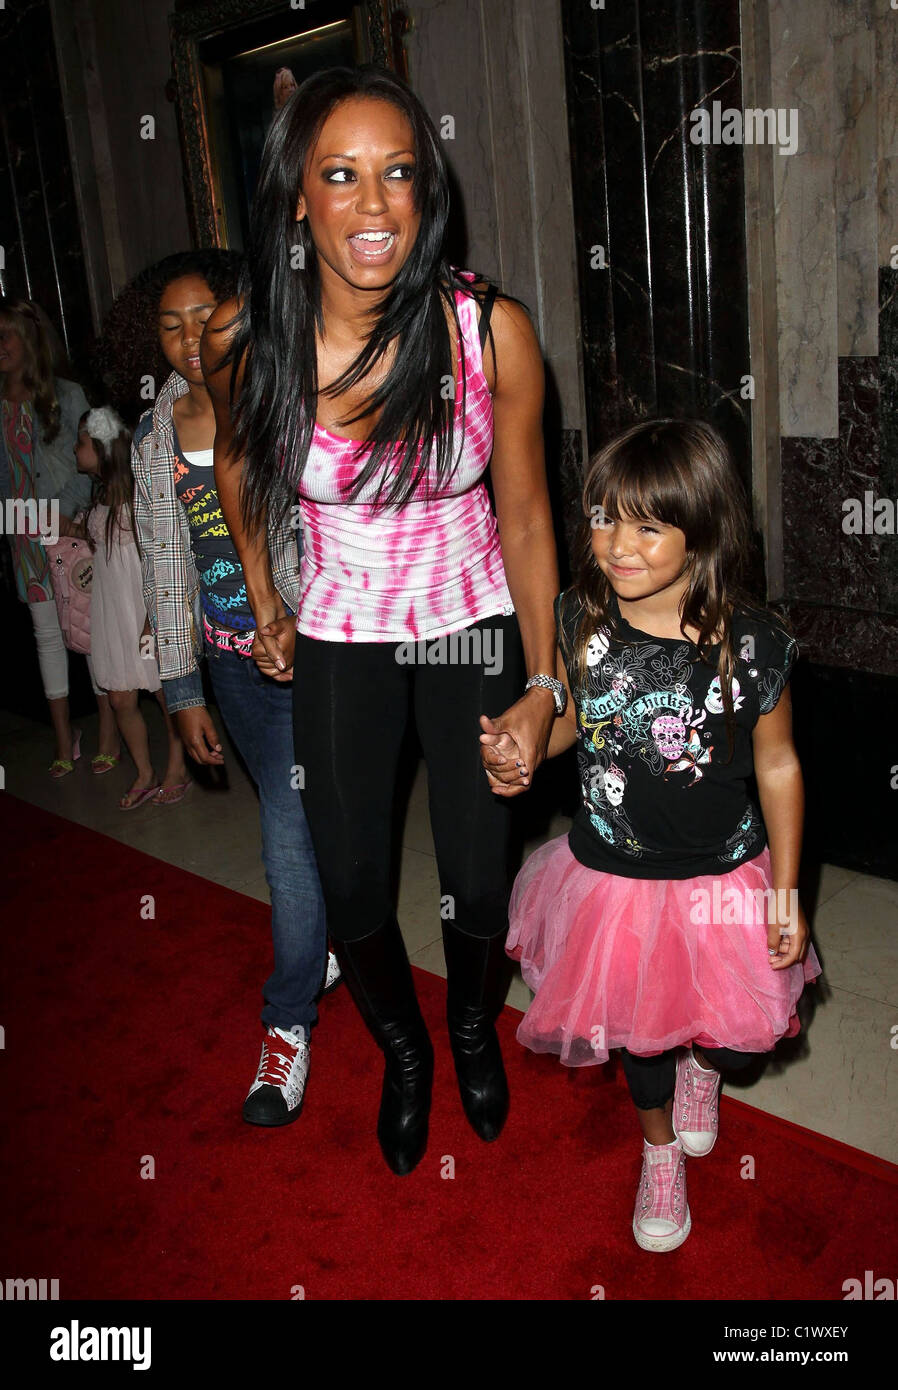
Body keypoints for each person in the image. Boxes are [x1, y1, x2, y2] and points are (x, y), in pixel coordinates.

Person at [204, 66, 561, 1176]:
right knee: (350, 879)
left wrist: (546, 686)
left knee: (480, 875)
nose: (372, 206)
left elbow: (530, 513)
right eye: (341, 176)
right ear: (296, 201)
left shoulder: (485, 333)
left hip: (468, 626)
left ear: (428, 187)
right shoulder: (244, 340)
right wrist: (266, 595)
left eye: (397, 173)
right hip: (343, 634)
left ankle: (467, 1029)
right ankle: (404, 1054)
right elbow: (230, 459)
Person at [481, 418, 822, 1251]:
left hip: (725, 872)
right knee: (640, 1031)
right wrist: (528, 745)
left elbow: (777, 767)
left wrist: (785, 889)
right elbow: (570, 721)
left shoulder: (752, 642)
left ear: (701, 533)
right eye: (603, 517)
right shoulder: (577, 614)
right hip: (615, 877)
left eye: (646, 526)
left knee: (739, 1038)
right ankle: (659, 1148)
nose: (616, 546)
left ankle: (707, 1072)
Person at [96, 249, 333, 1126]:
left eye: (206, 316)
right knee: (292, 829)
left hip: (319, 655)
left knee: (309, 833)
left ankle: (301, 992)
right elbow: (168, 567)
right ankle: (301, 997)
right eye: (171, 323)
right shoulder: (156, 440)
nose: (192, 337)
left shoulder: (284, 405)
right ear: (148, 340)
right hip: (235, 667)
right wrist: (181, 687)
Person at [0, 297, 119, 774]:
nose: (0, 346)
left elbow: (94, 459)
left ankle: (110, 730)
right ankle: (64, 740)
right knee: (46, 636)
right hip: (24, 535)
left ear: (29, 338)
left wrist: (66, 512)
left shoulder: (68, 396)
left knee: (88, 631)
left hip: (69, 532)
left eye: (5, 334)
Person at [74, 405, 189, 808]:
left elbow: (155, 563)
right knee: (121, 697)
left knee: (165, 694)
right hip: (112, 615)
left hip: (141, 613)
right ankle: (145, 771)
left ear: (103, 450)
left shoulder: (140, 502)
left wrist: (153, 619)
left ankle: (178, 765)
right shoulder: (100, 497)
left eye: (81, 443)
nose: (74, 450)